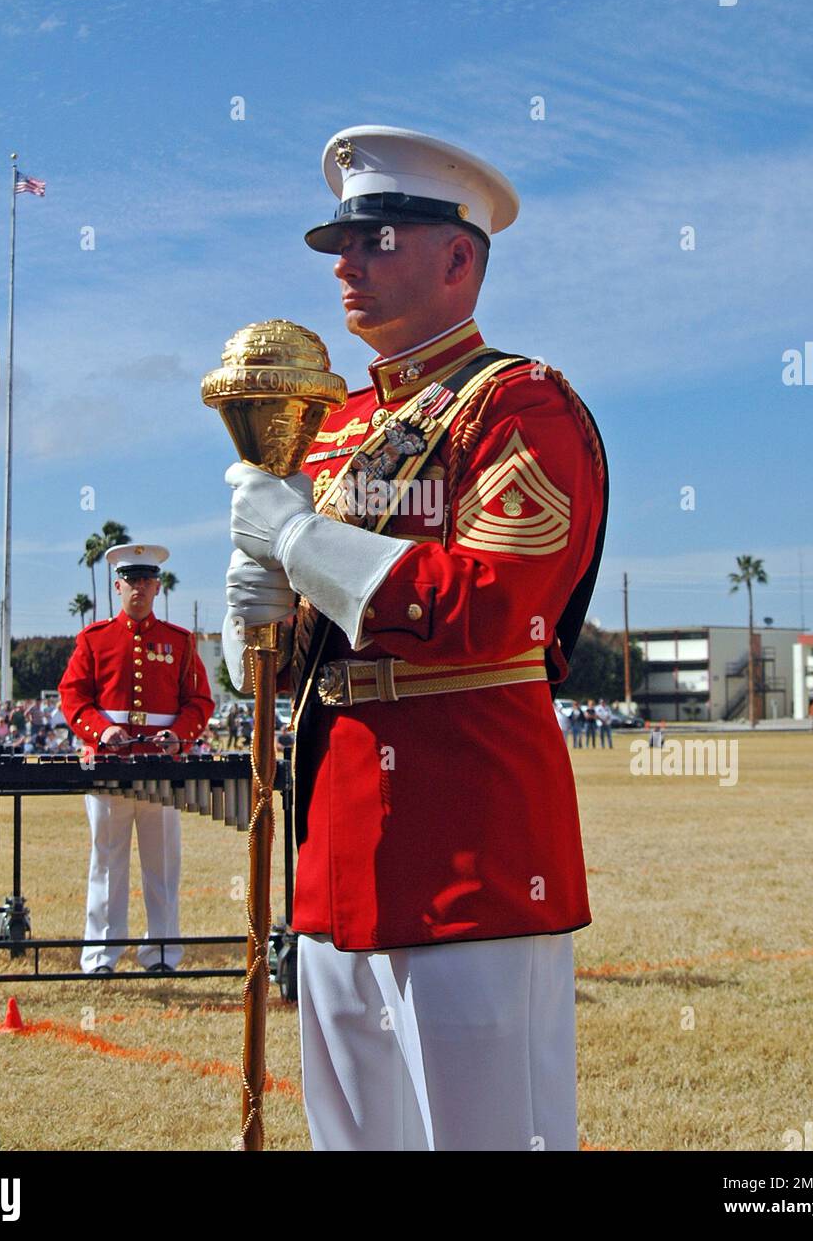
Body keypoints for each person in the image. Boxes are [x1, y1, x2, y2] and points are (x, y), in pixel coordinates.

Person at [222, 125, 608, 1151]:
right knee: (354, 1138)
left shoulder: (518, 404)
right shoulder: (332, 428)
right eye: (340, 245)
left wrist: (299, 540)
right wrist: (251, 622)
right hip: (337, 842)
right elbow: (298, 654)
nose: (344, 264)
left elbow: (492, 606)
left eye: (375, 241)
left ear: (457, 258)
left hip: (469, 839)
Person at [58, 544, 214, 974]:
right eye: (131, 581)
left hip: (161, 769)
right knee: (107, 864)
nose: (139, 588)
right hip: (110, 766)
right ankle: (101, 955)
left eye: (147, 580)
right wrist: (101, 730)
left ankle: (162, 952)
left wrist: (179, 736)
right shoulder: (94, 639)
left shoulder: (179, 641)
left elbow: (199, 701)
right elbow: (73, 696)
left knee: (162, 865)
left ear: (157, 587)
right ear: (117, 586)